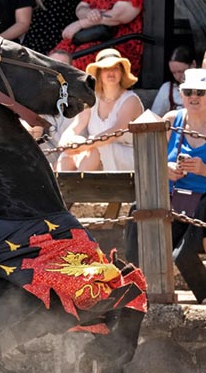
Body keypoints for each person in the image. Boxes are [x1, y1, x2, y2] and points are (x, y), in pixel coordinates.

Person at [126, 67, 206, 303]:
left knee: (182, 254)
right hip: (174, 199)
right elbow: (150, 159)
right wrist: (166, 169)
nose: (194, 97)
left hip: (203, 203)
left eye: (200, 92)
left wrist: (202, 169)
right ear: (181, 95)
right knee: (137, 212)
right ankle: (135, 288)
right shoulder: (171, 120)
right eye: (189, 92)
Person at [56, 48, 143, 172]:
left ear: (122, 73)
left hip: (126, 155)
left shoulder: (131, 100)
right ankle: (63, 184)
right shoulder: (93, 99)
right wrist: (66, 141)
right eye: (106, 68)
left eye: (115, 68)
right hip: (94, 149)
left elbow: (117, 130)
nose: (111, 73)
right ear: (99, 73)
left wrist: (86, 144)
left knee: (96, 150)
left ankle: (80, 183)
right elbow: (77, 125)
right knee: (68, 155)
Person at [151, 45, 196, 117]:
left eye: (181, 71)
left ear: (193, 65)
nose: (177, 77)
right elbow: (154, 117)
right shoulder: (167, 89)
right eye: (174, 73)